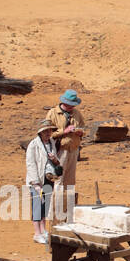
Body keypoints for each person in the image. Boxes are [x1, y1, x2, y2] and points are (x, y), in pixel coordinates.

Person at [45, 89, 85, 221]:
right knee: (58, 181)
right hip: (59, 150)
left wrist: (80, 132)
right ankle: (54, 214)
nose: (72, 107)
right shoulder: (52, 113)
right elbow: (47, 133)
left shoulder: (77, 114)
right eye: (70, 104)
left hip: (73, 150)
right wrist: (64, 131)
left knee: (70, 182)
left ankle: (67, 213)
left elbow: (83, 128)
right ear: (64, 102)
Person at [26, 120, 64, 244]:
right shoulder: (33, 145)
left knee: (45, 206)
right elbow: (31, 164)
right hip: (38, 180)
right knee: (37, 205)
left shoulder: (51, 142)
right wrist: (36, 184)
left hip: (49, 178)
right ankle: (37, 233)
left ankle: (43, 230)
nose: (48, 133)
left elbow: (55, 160)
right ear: (41, 132)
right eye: (46, 131)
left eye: (50, 130)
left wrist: (55, 159)